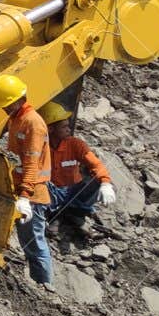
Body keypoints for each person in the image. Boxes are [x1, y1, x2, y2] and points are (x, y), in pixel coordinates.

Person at [0, 74, 52, 286]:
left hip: (33, 194)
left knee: (34, 243)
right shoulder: (15, 119)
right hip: (18, 189)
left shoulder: (33, 123)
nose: (4, 109)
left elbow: (32, 162)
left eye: (7, 105)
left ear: (19, 99)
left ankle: (45, 286)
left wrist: (25, 196)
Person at [39, 102, 116, 239]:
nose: (69, 129)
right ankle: (56, 215)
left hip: (72, 191)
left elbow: (96, 164)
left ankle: (76, 213)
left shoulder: (75, 144)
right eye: (64, 127)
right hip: (51, 194)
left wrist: (105, 183)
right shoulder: (40, 147)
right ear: (50, 129)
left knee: (95, 179)